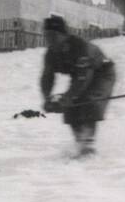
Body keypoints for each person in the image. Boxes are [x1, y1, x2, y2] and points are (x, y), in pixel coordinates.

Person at [39, 14, 117, 157]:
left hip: (102, 73)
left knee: (88, 101)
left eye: (54, 36)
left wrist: (67, 97)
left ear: (64, 35)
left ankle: (87, 143)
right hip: (80, 76)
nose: (50, 40)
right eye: (47, 36)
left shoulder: (80, 47)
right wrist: (47, 98)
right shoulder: (51, 54)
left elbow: (83, 79)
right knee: (71, 107)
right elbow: (47, 78)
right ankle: (80, 142)